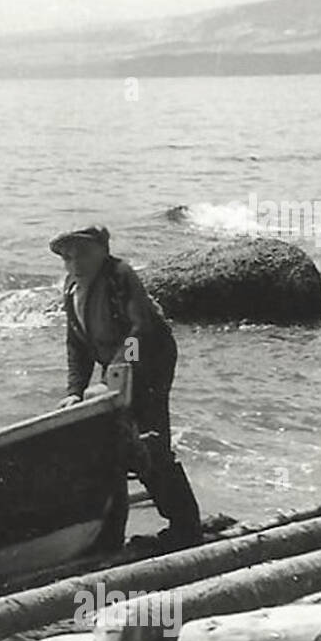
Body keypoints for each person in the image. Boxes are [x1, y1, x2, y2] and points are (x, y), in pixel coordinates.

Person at [50, 225, 201, 547]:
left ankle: (186, 527)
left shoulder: (120, 275)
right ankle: (109, 532)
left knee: (149, 439)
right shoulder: (71, 289)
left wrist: (116, 374)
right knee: (109, 443)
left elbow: (140, 328)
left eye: (85, 254)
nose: (76, 263)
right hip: (117, 364)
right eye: (69, 257)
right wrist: (75, 390)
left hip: (151, 358)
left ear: (103, 251)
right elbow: (76, 345)